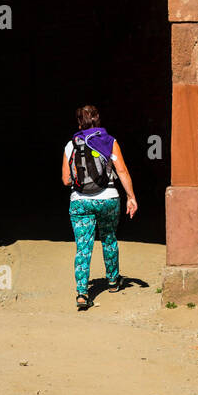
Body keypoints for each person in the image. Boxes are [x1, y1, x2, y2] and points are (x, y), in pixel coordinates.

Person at [62, 103, 137, 310]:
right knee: (109, 238)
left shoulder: (71, 145)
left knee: (83, 248)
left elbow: (66, 180)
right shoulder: (109, 141)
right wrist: (131, 196)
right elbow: (122, 171)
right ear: (98, 120)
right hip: (109, 198)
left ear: (79, 122)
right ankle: (113, 282)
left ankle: (82, 293)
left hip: (80, 201)